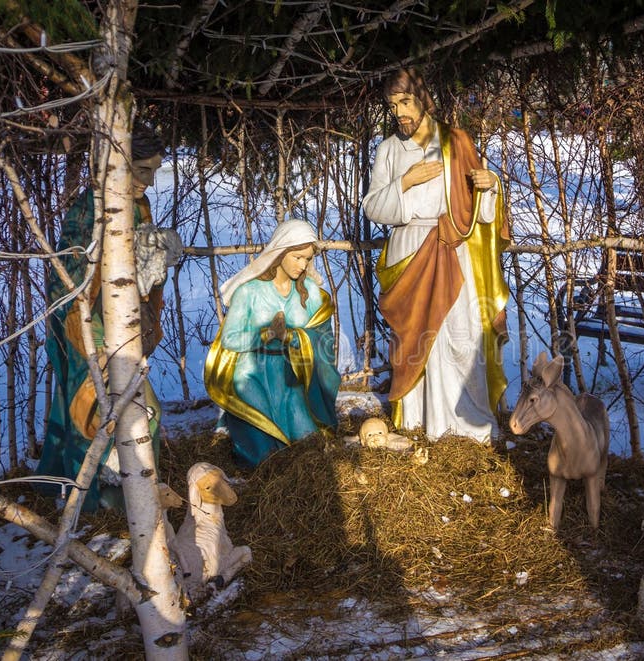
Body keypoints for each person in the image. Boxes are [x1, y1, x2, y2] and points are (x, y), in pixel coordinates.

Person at [362, 68, 510, 443]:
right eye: (392, 106)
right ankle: (419, 421)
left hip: (451, 252)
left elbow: (482, 208)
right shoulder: (389, 150)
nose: (399, 113)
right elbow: (373, 207)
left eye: (405, 103)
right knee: (415, 342)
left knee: (459, 338)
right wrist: (405, 182)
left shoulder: (456, 141)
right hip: (409, 252)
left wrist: (491, 186)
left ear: (423, 99)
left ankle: (468, 425)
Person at [36, 126, 170, 511]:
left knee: (140, 414)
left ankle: (130, 500)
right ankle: (94, 503)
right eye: (142, 170)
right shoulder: (89, 209)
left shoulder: (139, 205)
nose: (149, 181)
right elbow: (71, 276)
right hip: (90, 331)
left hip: (124, 325)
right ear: (119, 168)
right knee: (96, 415)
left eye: (154, 171)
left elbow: (140, 277)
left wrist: (156, 259)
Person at [204, 220, 340, 468]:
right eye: (298, 257)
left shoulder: (309, 292)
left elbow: (322, 336)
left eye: (307, 260)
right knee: (265, 456)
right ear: (280, 251)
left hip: (292, 377)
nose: (303, 265)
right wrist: (265, 336)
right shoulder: (250, 292)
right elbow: (230, 338)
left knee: (310, 445)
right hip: (253, 376)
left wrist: (290, 337)